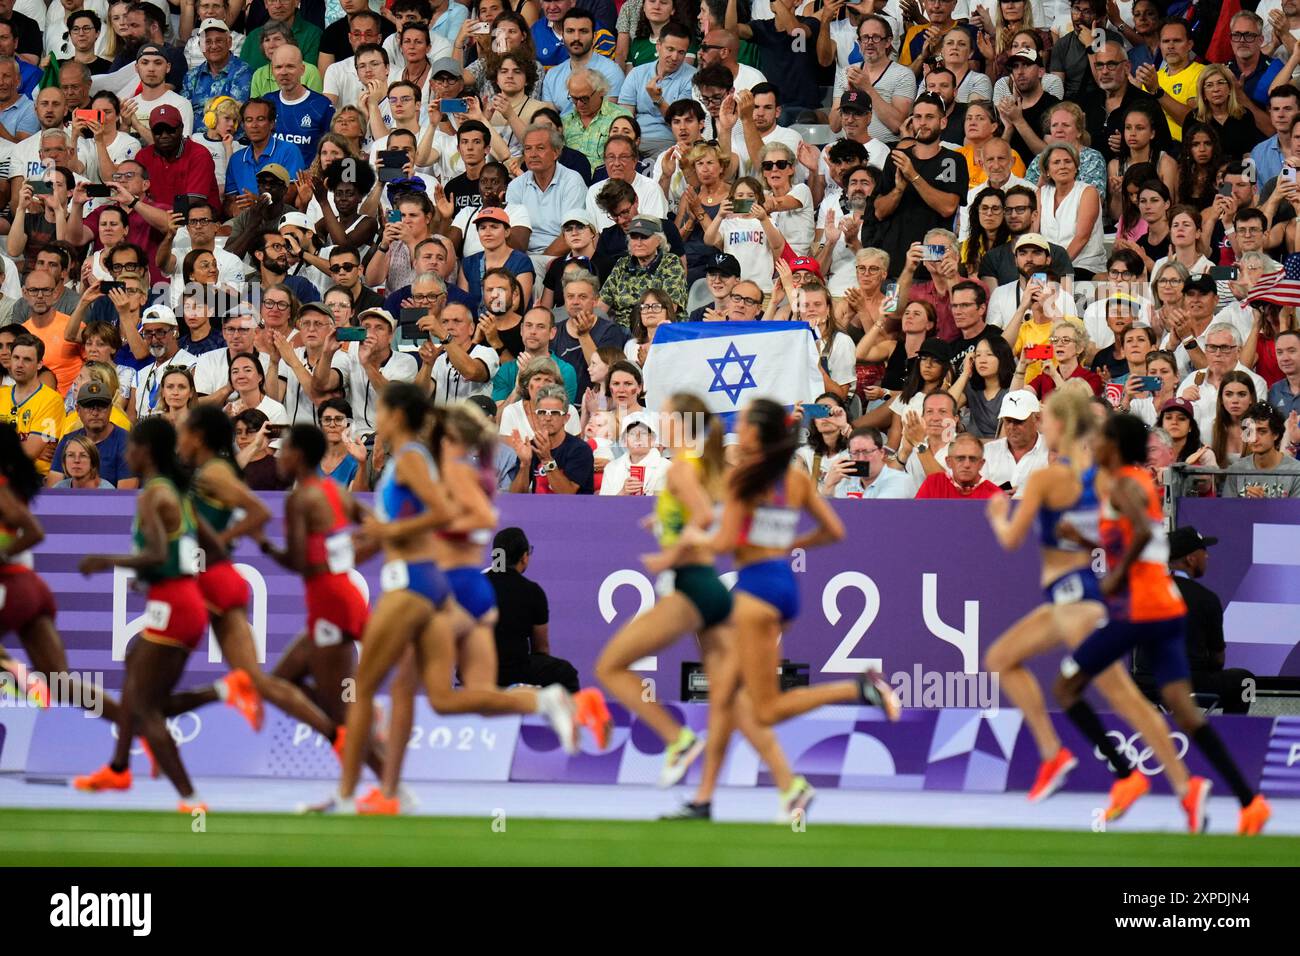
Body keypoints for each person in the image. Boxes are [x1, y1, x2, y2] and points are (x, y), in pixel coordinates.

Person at [327, 383, 586, 812]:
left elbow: (441, 518)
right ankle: (390, 790)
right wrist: (365, 537)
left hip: (416, 583)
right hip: (435, 582)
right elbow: (420, 521)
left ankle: (347, 795)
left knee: (368, 687)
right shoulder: (423, 462)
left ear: (395, 414)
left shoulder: (418, 460)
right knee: (436, 697)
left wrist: (380, 532)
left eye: (380, 408)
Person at [984, 390, 1200, 824]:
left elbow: (1010, 541)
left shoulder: (1047, 479)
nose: (1041, 425)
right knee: (1002, 658)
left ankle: (1180, 783)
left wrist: (996, 514)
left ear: (1060, 425)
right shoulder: (1101, 477)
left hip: (1073, 599)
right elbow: (1112, 535)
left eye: (1044, 419)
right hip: (1076, 594)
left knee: (1124, 699)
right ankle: (1059, 755)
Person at [595, 394, 810, 821]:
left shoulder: (681, 466)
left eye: (666, 416)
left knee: (610, 667)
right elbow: (702, 512)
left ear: (679, 423)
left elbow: (705, 519)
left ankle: (677, 739)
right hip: (709, 589)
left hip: (693, 586)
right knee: (729, 700)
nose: (658, 421)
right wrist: (663, 524)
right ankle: (788, 784)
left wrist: (670, 554)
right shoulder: (696, 465)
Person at [1055, 412, 1272, 835]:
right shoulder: (1133, 482)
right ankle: (1249, 803)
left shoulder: (1121, 484)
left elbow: (1137, 534)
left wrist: (1116, 577)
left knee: (1066, 687)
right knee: (1187, 713)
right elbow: (1134, 536)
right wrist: (1086, 539)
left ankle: (1128, 777)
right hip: (1165, 609)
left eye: (1100, 440)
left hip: (1140, 609)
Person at [72, 419, 210, 811]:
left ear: (145, 451)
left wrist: (105, 560)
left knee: (147, 707)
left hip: (175, 607)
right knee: (135, 675)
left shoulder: (153, 494)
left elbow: (156, 554)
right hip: (177, 600)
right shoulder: (172, 491)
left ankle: (191, 798)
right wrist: (148, 578)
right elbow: (181, 551)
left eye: (131, 446)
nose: (125, 453)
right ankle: (118, 768)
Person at [254, 422, 382, 785]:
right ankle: (355, 734)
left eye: (285, 448)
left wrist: (261, 543)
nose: (279, 454)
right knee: (282, 682)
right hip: (337, 596)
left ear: (300, 456)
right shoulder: (332, 491)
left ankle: (387, 782)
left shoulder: (300, 499)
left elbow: (297, 562)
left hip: (331, 604)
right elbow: (377, 528)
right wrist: (347, 556)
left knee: (334, 707)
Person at [0, 422, 120, 721]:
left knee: (32, 675)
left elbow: (33, 530)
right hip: (33, 589)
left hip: (11, 587)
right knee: (62, 683)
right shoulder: (16, 482)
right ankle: (135, 726)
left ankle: (21, 678)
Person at [874, 94, 969, 278]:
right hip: (895, 266)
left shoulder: (954, 160)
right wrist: (899, 189)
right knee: (892, 308)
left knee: (933, 307)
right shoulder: (896, 158)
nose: (923, 123)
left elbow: (948, 207)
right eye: (918, 117)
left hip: (935, 267)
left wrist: (913, 175)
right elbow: (879, 211)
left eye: (930, 117)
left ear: (943, 122)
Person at [487, 526, 580, 691]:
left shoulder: (476, 585)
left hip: (473, 669)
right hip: (515, 671)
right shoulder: (532, 591)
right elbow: (541, 648)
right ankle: (567, 717)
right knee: (566, 673)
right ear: (524, 557)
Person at [507, 382, 594, 493]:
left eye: (554, 413)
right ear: (537, 416)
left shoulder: (580, 449)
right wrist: (525, 464)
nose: (547, 418)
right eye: (542, 412)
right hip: (538, 509)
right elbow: (516, 497)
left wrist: (547, 460)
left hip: (574, 509)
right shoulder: (532, 447)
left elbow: (568, 494)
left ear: (566, 418)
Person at [48, 381, 134, 488]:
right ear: (78, 410)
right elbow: (52, 493)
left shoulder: (126, 442)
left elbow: (125, 496)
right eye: (89, 407)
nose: (95, 413)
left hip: (109, 503)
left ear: (110, 409)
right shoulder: (68, 441)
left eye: (101, 406)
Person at [0, 332, 63, 477]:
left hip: (33, 479)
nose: (19, 364)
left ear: (39, 364)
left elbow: (29, 453)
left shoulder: (51, 400)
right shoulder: (1, 394)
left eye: (27, 360)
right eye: (16, 358)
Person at [1222, 400, 1300, 497]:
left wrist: (1264, 505)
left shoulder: (1296, 471)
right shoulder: (1236, 470)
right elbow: (1226, 510)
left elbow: (1295, 511)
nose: (1254, 438)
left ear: (1275, 434)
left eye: (1262, 431)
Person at [914, 433, 1002, 498]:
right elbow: (915, 517)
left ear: (981, 464)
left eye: (973, 459)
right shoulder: (933, 484)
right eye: (960, 458)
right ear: (949, 462)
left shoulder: (995, 496)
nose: (967, 465)